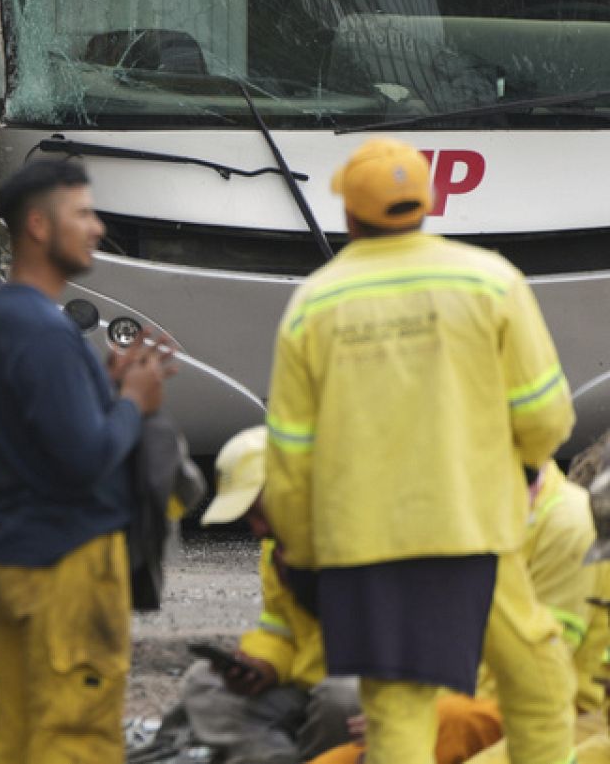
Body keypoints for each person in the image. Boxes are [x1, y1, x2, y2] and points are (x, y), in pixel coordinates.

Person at [264, 138, 577, 764]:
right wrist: (516, 471)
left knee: (397, 710)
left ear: (348, 217)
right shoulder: (491, 282)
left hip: (363, 546)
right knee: (538, 681)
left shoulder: (314, 305)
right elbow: (546, 418)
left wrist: (302, 551)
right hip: (475, 532)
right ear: (429, 205)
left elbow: (291, 458)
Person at [0, 157, 175, 763]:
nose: (97, 227)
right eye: (82, 213)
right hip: (68, 567)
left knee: (21, 738)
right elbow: (86, 459)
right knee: (75, 740)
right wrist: (134, 402)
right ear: (37, 226)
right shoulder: (42, 331)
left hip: (13, 556)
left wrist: (104, 390)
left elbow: (40, 433)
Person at [306, 457, 603, 764]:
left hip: (524, 706)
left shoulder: (568, 525)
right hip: (464, 696)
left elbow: (537, 672)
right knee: (340, 703)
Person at [169, 427, 360, 764]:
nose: (258, 529)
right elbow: (280, 631)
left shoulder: (364, 536)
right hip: (311, 684)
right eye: (248, 519)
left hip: (369, 691)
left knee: (341, 697)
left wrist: (316, 583)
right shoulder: (276, 550)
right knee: (206, 686)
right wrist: (263, 664)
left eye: (259, 511)